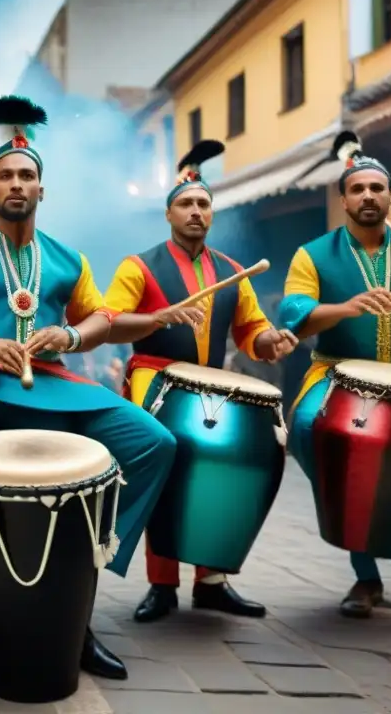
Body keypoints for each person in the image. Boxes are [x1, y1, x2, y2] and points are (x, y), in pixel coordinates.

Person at [0, 96, 178, 681]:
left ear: (42, 190)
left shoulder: (69, 259)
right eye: (6, 176)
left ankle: (85, 569)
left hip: (52, 384)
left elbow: (101, 319)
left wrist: (71, 335)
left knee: (155, 442)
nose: (17, 184)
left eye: (27, 176)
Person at [104, 139, 297, 623]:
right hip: (154, 377)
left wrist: (272, 342)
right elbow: (109, 318)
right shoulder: (138, 266)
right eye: (185, 204)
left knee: (233, 463)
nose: (195, 211)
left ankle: (212, 581)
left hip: (213, 383)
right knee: (171, 456)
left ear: (212, 213)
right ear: (168, 214)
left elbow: (253, 330)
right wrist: (157, 318)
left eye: (203, 204)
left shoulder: (234, 272)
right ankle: (162, 585)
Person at [280, 131, 391, 618]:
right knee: (310, 430)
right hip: (335, 376)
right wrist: (344, 308)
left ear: (390, 195)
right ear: (343, 198)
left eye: (378, 188)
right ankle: (365, 574)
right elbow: (294, 311)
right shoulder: (312, 254)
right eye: (358, 189)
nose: (368, 196)